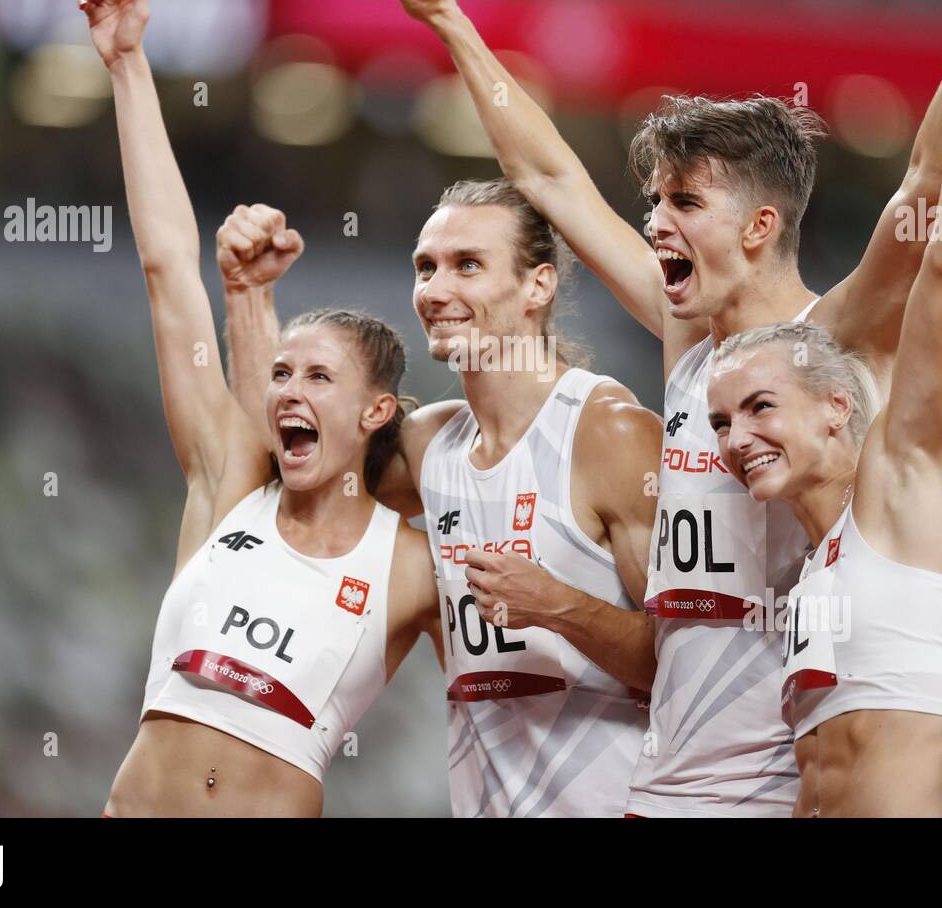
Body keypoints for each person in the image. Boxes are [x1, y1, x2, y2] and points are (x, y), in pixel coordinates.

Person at [380, 0, 942, 815]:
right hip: (664, 779)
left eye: (683, 201)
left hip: (770, 779)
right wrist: (450, 20)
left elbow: (919, 193)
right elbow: (548, 176)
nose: (653, 223)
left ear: (759, 226)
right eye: (652, 202)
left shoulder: (833, 335)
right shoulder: (691, 349)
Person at [77, 0, 440, 817]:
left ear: (374, 410)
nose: (288, 393)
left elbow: (520, 692)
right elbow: (169, 273)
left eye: (318, 377)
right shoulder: (230, 486)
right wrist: (128, 65)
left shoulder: (413, 564)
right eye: (280, 374)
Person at [225, 177, 663, 816]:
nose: (435, 291)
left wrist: (559, 606)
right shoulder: (433, 445)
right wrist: (247, 294)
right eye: (425, 267)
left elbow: (687, 662)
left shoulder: (607, 432)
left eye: (468, 266)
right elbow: (284, 457)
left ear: (538, 285)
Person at [707, 0, 942, 815]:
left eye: (760, 407)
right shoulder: (815, 566)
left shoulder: (905, 479)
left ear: (836, 408)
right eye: (721, 421)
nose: (735, 438)